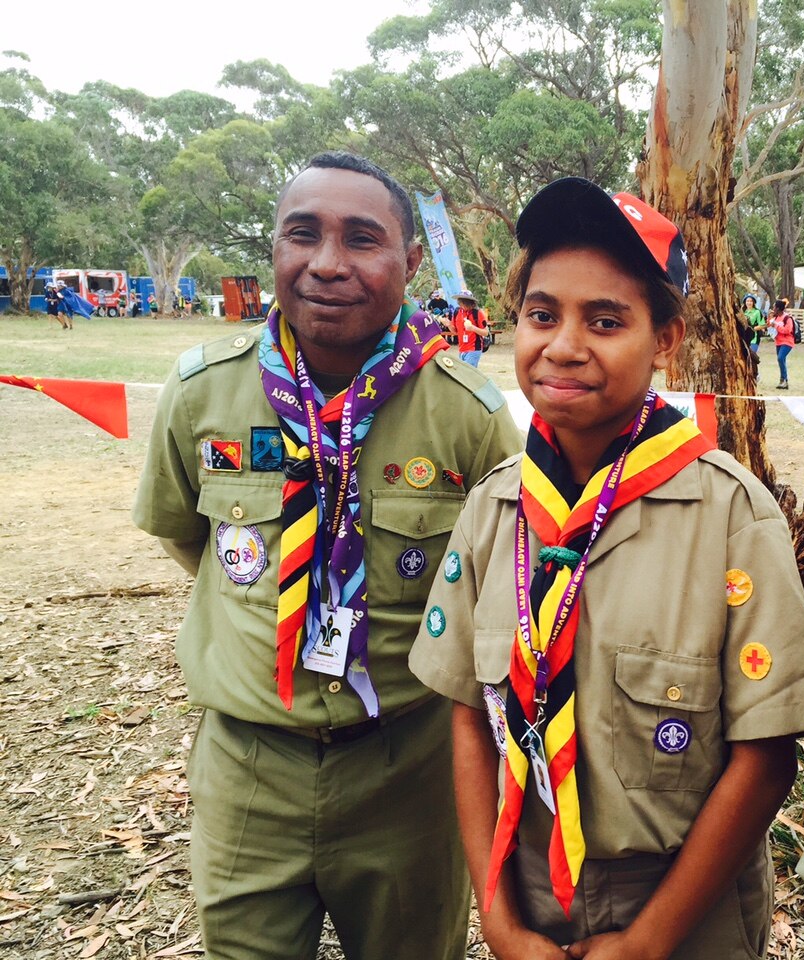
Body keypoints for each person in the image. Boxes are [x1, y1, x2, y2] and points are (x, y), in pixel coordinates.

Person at [409, 176, 804, 960]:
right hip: (530, 891)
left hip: (687, 903)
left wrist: (650, 941)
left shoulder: (729, 516)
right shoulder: (493, 510)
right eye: (543, 315)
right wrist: (496, 916)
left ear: (666, 339)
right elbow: (468, 718)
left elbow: (766, 755)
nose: (565, 344)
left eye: (605, 321)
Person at [133, 151, 523, 960]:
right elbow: (190, 541)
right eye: (301, 235)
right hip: (248, 768)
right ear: (274, 248)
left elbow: (497, 594)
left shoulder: (468, 418)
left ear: (410, 262)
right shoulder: (204, 393)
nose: (326, 263)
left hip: (406, 770)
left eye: (361, 239)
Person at [452, 289, 490, 367]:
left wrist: (472, 328)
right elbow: (455, 331)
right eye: (461, 303)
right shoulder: (457, 312)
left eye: (464, 303)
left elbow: (486, 332)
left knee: (468, 374)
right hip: (461, 349)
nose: (462, 306)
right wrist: (448, 325)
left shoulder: (477, 313)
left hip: (474, 348)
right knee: (465, 374)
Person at [768, 298, 795, 388]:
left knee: (780, 358)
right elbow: (769, 326)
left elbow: (787, 330)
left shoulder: (787, 318)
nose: (773, 308)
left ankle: (783, 379)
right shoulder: (775, 317)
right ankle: (784, 381)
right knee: (782, 361)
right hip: (778, 342)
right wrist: (770, 318)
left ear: (778, 308)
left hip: (787, 341)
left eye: (774, 307)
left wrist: (776, 326)